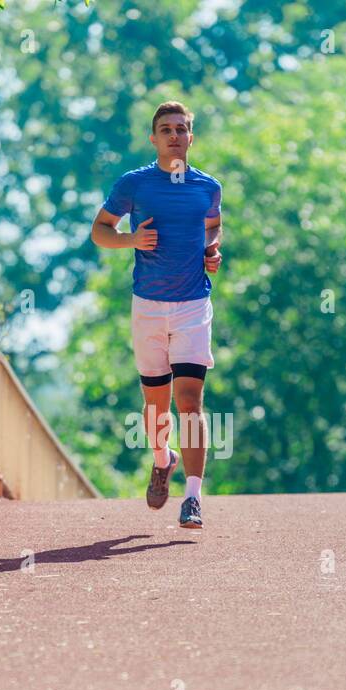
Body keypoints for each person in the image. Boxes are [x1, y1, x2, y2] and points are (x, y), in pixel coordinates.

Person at [90, 100, 222, 530]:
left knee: (190, 402)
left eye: (181, 128)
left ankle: (193, 498)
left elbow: (213, 224)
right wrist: (131, 240)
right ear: (154, 138)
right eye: (166, 129)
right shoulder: (135, 184)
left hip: (191, 305)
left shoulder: (208, 187)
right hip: (147, 305)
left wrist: (211, 248)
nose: (174, 135)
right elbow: (100, 231)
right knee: (156, 407)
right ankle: (161, 460)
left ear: (191, 137)